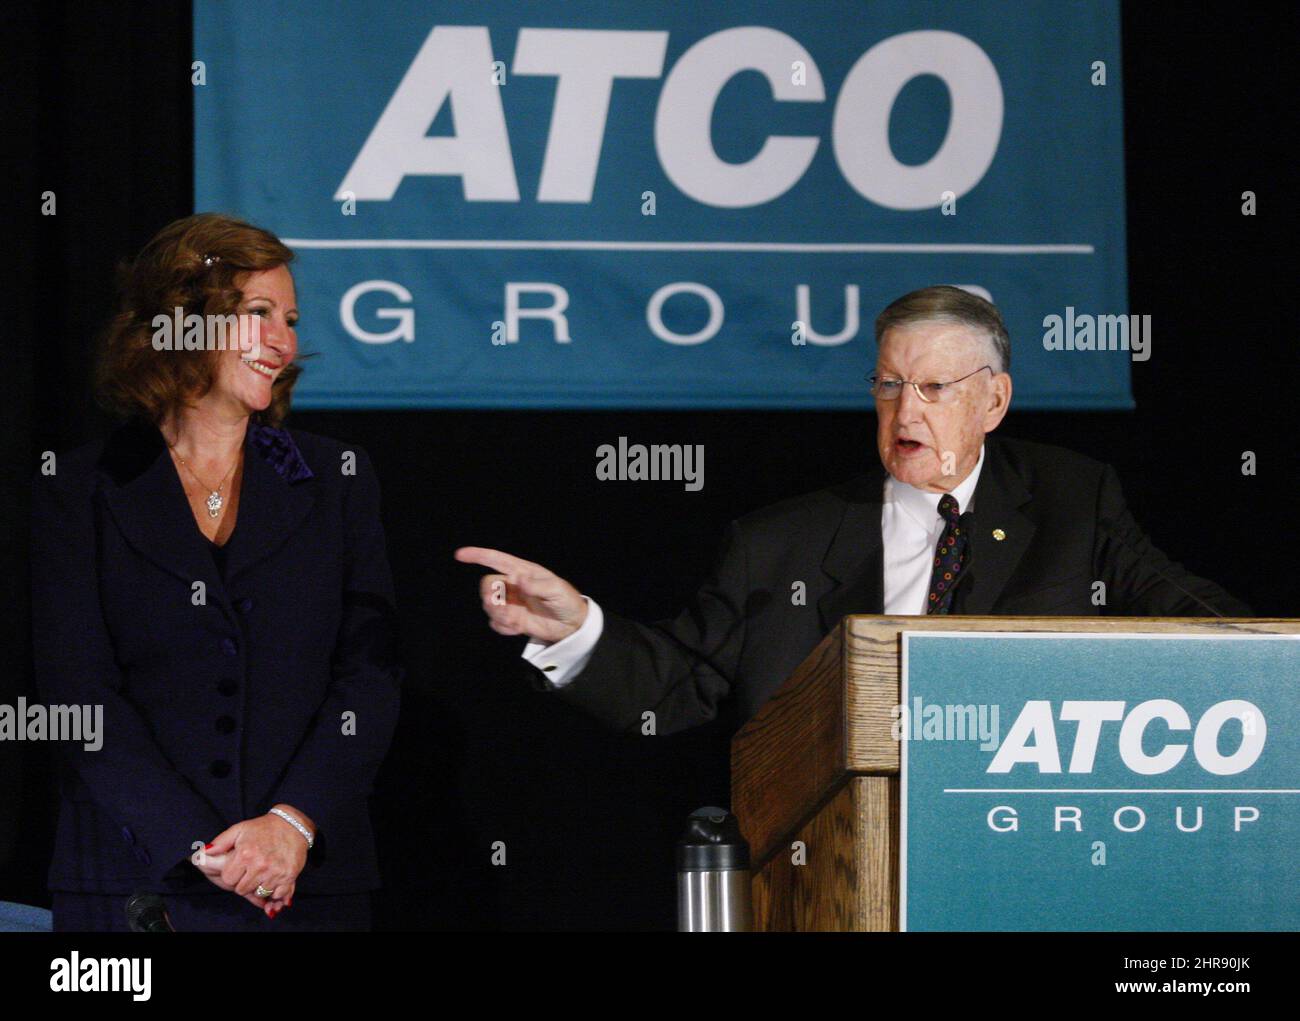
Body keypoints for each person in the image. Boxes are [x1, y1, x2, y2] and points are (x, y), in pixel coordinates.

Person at [456, 285, 1251, 734]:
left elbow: (1194, 620)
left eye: (934, 388)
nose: (907, 411)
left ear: (995, 400)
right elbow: (675, 687)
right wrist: (575, 628)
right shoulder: (779, 545)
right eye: (889, 385)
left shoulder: (1076, 504)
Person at [30, 213, 402, 931]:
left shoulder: (337, 479)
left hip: (304, 889)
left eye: (289, 320)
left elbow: (371, 675)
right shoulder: (79, 487)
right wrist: (201, 847)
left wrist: (290, 825)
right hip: (133, 887)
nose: (283, 342)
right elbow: (77, 692)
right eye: (257, 313)